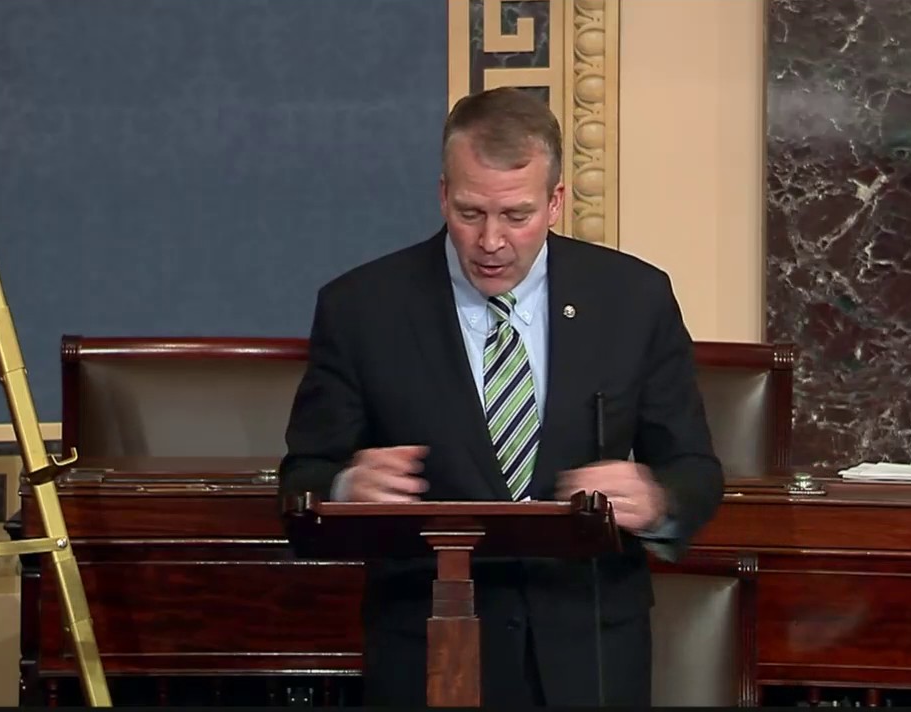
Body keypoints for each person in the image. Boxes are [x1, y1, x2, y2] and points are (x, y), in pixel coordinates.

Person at [278, 86, 723, 707]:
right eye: (469, 213)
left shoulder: (633, 299)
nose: (491, 241)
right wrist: (343, 491)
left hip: (589, 653)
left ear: (555, 202)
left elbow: (695, 470)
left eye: (516, 215)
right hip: (428, 652)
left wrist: (658, 498)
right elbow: (300, 479)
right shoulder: (362, 309)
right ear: (442, 195)